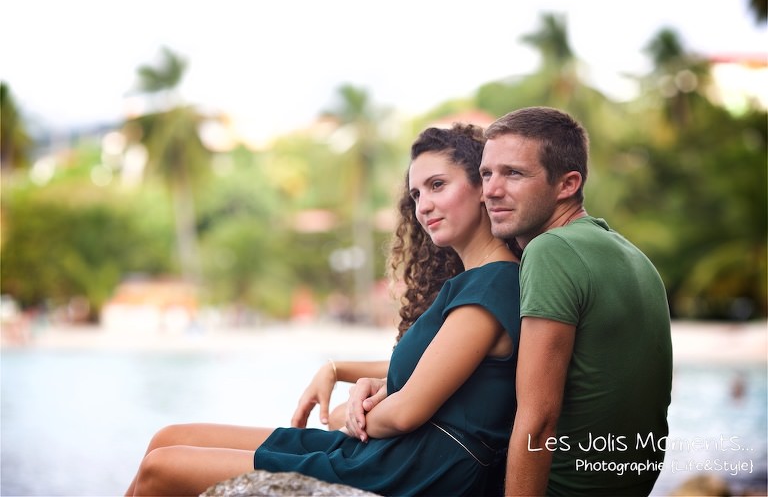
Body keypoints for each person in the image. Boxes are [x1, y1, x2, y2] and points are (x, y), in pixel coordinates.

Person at [125, 123, 522, 497]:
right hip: (389, 453)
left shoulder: (491, 286)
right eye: (417, 194)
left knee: (163, 467)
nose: (424, 206)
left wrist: (353, 418)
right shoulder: (470, 282)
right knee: (168, 437)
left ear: (481, 187)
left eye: (438, 185)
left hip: (410, 468)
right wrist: (344, 375)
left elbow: (405, 413)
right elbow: (434, 371)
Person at [478, 106, 673, 496]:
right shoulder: (633, 256)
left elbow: (538, 421)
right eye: (487, 173)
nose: (491, 191)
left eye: (513, 173)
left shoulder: (551, 250)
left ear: (567, 185)